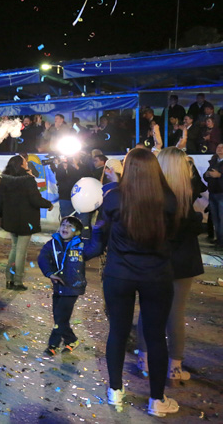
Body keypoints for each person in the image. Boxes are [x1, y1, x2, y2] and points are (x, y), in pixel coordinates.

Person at [95, 148, 180, 417]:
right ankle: (156, 400)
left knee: (117, 332)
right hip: (156, 275)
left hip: (119, 275)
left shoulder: (113, 198)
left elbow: (100, 235)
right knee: (155, 336)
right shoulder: (168, 199)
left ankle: (115, 391)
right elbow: (173, 236)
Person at [135, 147, 205, 381]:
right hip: (183, 261)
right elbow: (194, 226)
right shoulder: (186, 197)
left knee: (148, 310)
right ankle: (174, 368)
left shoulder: (151, 196)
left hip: (154, 260)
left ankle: (144, 360)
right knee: (176, 312)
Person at [38, 216, 102, 355]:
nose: (65, 228)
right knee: (59, 317)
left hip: (72, 287)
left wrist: (96, 231)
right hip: (58, 287)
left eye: (70, 226)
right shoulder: (52, 244)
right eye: (63, 225)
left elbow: (96, 248)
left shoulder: (81, 245)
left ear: (77, 232)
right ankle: (71, 340)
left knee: (61, 317)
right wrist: (50, 273)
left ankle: (53, 345)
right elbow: (42, 258)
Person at [0, 155, 53, 290]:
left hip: (11, 219)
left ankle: (9, 278)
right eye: (25, 162)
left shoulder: (4, 179)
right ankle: (17, 281)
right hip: (25, 220)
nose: (27, 164)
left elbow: (0, 200)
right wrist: (48, 204)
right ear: (21, 165)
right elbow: (35, 199)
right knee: (21, 251)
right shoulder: (28, 180)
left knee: (15, 248)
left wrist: (1, 216)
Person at [203, 143, 223, 251]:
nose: (219, 149)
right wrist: (206, 175)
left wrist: (220, 176)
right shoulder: (214, 161)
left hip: (221, 193)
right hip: (213, 193)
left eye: (222, 147)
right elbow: (206, 176)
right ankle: (219, 240)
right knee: (215, 219)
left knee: (221, 219)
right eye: (218, 147)